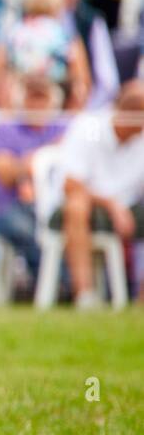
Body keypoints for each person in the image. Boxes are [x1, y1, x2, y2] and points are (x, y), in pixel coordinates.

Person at [54, 79, 144, 308]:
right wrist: (112, 205)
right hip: (85, 207)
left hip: (130, 208)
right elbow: (71, 183)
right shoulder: (90, 127)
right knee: (76, 205)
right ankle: (85, 295)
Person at [0, 74, 68, 285]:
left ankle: (69, 286)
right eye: (32, 98)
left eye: (42, 99)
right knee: (26, 229)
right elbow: (5, 174)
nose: (37, 105)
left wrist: (23, 166)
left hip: (56, 205)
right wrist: (43, 157)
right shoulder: (5, 129)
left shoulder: (64, 127)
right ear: (20, 101)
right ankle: (55, 285)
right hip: (14, 208)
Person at [0, 0, 90, 110]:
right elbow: (81, 84)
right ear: (58, 1)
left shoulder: (12, 34)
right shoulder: (66, 37)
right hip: (56, 112)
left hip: (19, 111)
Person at [40, 0, 120, 109]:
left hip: (84, 112)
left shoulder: (90, 22)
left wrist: (84, 113)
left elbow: (107, 81)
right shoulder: (26, 24)